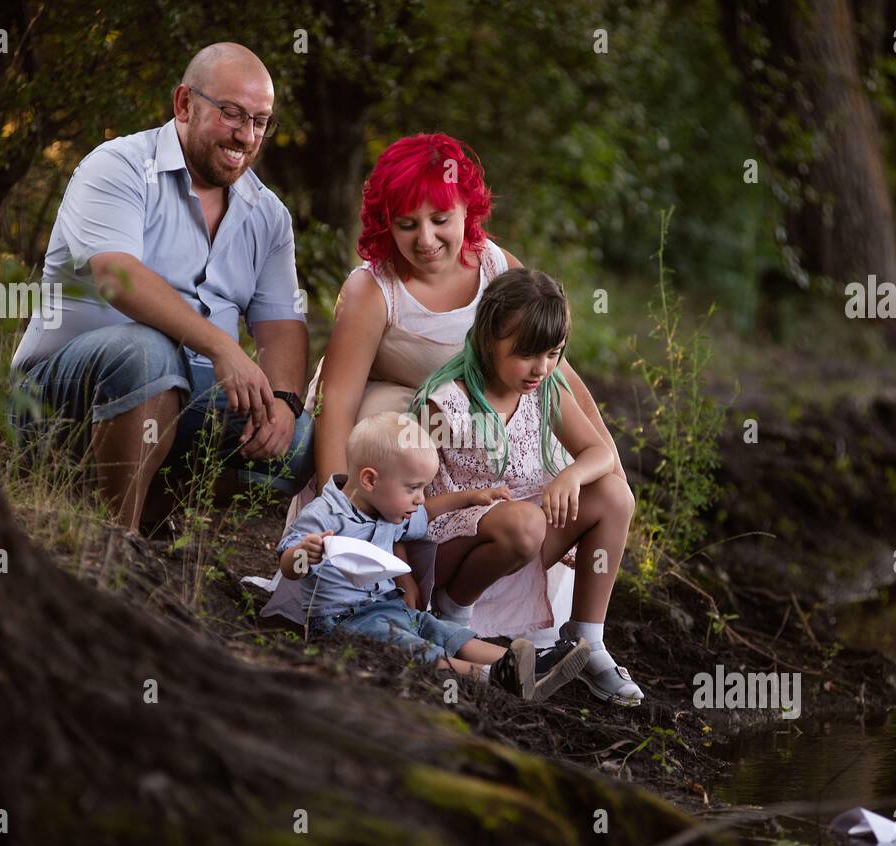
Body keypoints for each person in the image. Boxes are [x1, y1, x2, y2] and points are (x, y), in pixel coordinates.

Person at [260, 133, 629, 637]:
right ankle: (406, 573)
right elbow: (337, 400)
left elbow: (557, 370)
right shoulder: (375, 287)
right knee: (387, 436)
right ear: (386, 223)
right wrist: (342, 506)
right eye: (407, 225)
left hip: (482, 419)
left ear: (467, 213)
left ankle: (511, 610)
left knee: (565, 471)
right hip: (409, 418)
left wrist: (605, 451)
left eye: (441, 221)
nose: (426, 240)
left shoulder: (498, 268)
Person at [9, 42, 312, 533]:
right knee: (146, 352)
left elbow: (280, 326)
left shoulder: (268, 216)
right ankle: (115, 544)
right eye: (232, 114)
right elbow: (116, 275)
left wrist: (284, 401)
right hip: (58, 398)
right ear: (184, 105)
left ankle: (151, 508)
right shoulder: (119, 166)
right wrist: (221, 346)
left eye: (261, 121)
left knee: (297, 443)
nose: (247, 135)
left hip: (182, 397)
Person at [411, 268, 643, 707]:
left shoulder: (545, 390)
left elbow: (600, 453)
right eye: (527, 354)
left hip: (522, 541)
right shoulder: (446, 403)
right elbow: (411, 501)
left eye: (553, 353)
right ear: (487, 340)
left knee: (614, 494)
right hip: (452, 553)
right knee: (525, 522)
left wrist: (570, 474)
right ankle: (454, 616)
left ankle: (588, 640)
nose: (541, 368)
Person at [279, 412, 591, 702]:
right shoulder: (324, 514)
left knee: (442, 630)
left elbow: (428, 511)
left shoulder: (390, 510)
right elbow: (289, 566)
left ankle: (536, 665)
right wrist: (305, 554)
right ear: (370, 480)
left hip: (391, 607)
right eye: (413, 488)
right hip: (341, 620)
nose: (419, 498)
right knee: (416, 649)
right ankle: (490, 678)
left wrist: (469, 498)